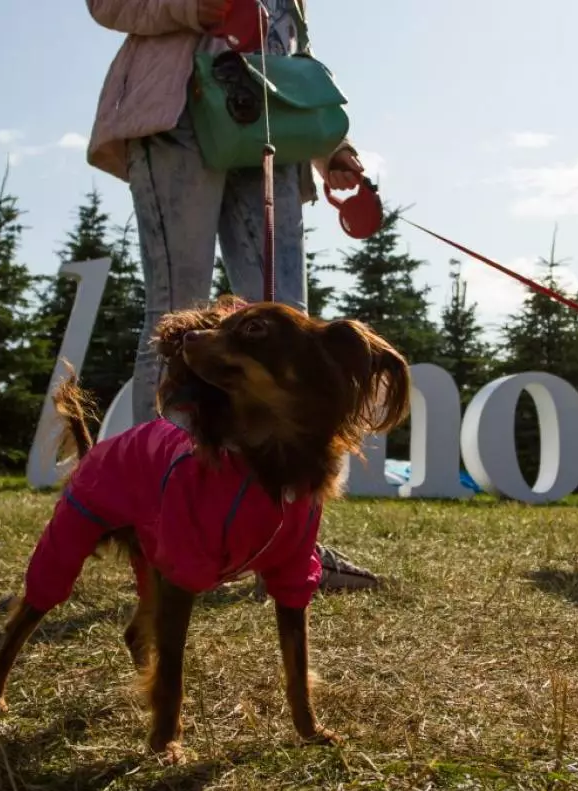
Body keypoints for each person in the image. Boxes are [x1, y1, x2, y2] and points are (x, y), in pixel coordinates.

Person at [85, 0, 379, 590]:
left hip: (271, 136)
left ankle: (297, 538)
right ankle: (160, 523)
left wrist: (329, 146)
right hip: (176, 120)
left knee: (290, 326)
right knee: (176, 314)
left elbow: (290, 58)